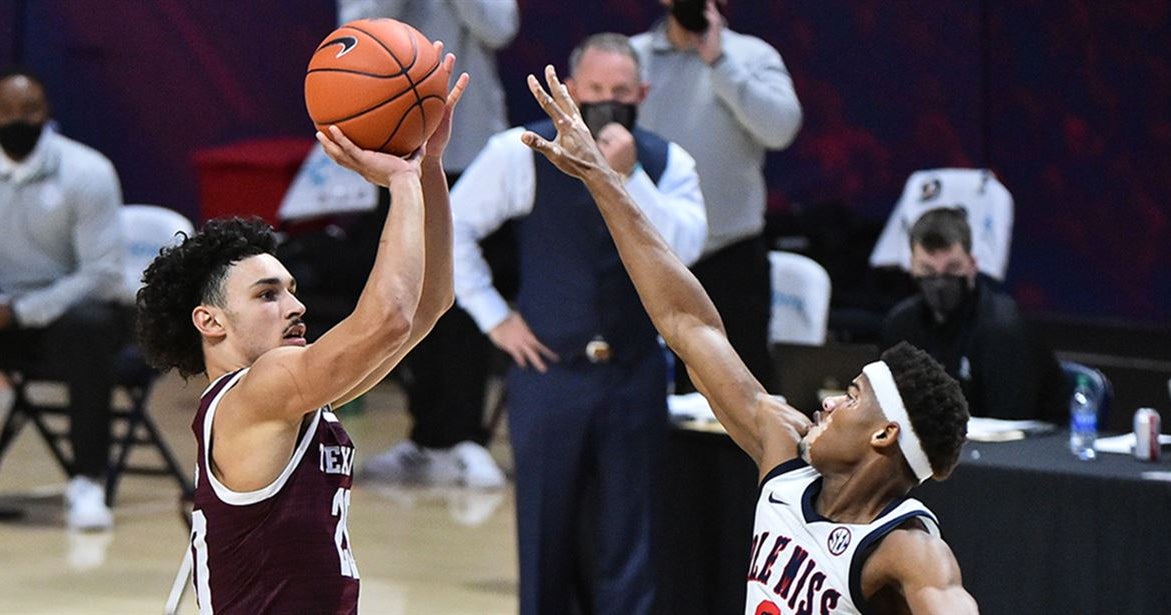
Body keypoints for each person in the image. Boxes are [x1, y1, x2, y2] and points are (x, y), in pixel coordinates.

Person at [522, 64, 978, 614]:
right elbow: (689, 326)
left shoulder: (909, 551)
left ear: (883, 435)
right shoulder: (782, 448)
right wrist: (601, 177)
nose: (830, 400)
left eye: (854, 396)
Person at [134, 53, 467, 611]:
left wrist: (428, 166)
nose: (295, 305)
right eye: (267, 295)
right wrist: (401, 183)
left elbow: (430, 303)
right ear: (209, 320)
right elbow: (387, 317)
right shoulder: (257, 392)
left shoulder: (295, 399)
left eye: (290, 288)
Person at [452, 33, 706, 614]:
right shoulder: (521, 151)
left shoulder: (667, 162)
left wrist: (626, 177)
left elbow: (684, 248)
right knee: (544, 536)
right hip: (548, 378)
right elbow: (454, 228)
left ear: (642, 94)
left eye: (621, 92)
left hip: (634, 375)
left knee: (630, 541)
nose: (608, 102)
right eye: (595, 90)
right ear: (569, 91)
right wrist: (496, 319)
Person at [338, 0, 520, 487]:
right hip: (392, 144)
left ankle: (465, 437)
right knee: (404, 290)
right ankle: (425, 437)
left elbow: (499, 27)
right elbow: (351, 30)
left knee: (459, 295)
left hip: (468, 147)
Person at [631, 0, 803, 392]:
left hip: (730, 257)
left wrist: (721, 63)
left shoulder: (751, 55)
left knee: (741, 394)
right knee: (646, 392)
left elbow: (781, 129)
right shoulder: (630, 58)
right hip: (644, 257)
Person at [0, 67, 125, 531]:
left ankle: (88, 482)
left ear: (46, 112)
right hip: (7, 319)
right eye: (6, 111)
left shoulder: (87, 171)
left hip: (71, 317)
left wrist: (20, 312)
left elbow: (103, 274)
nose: (17, 119)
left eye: (28, 109)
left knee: (87, 326)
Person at [882, 207, 1068, 422]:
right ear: (912, 267)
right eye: (928, 271)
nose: (940, 282)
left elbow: (1011, 423)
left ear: (972, 265)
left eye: (952, 269)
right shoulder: (900, 324)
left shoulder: (1002, 329)